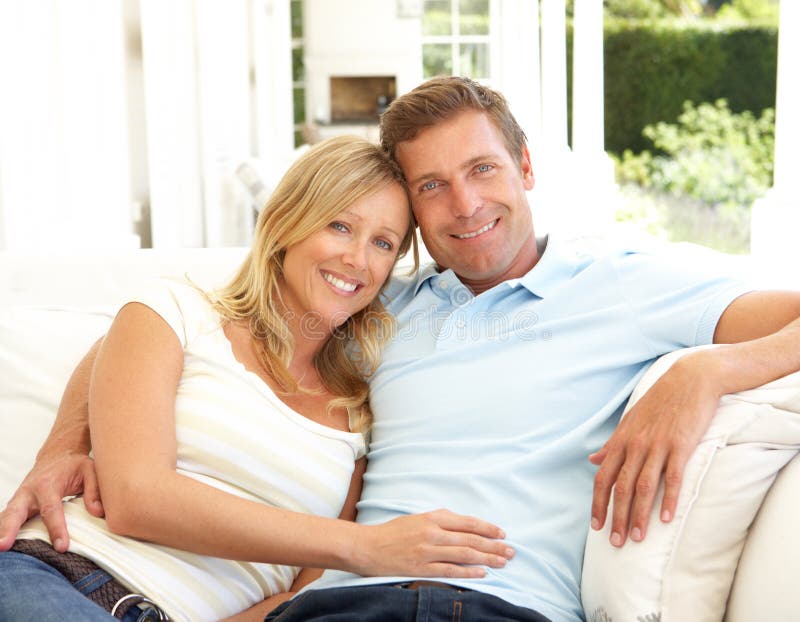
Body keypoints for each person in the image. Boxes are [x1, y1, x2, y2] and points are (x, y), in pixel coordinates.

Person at [3, 77, 800, 621]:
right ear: (415, 217)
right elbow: (153, 328)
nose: (466, 204)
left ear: (524, 167)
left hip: (510, 608)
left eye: (484, 169)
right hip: (337, 608)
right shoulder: (377, 309)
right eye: (432, 187)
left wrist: (710, 368)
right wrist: (62, 446)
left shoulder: (634, 285)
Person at [0, 135, 514, 622]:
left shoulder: (358, 411)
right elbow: (137, 499)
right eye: (339, 225)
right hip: (62, 576)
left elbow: (301, 594)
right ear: (289, 222)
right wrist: (365, 547)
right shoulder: (179, 311)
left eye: (382, 242)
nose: (357, 259)